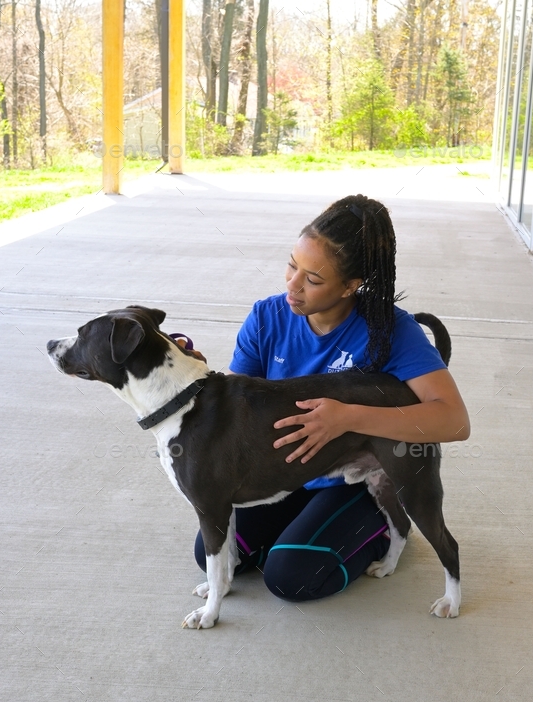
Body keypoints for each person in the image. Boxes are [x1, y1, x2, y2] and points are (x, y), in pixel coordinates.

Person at [193, 194, 470, 601]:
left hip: (352, 477)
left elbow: (454, 421)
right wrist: (193, 378)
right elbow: (236, 410)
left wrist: (347, 417)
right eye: (292, 264)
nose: (292, 284)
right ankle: (304, 529)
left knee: (291, 577)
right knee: (214, 553)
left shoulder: (390, 329)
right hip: (283, 472)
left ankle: (388, 528)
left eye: (313, 279)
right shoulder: (267, 317)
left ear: (350, 286)